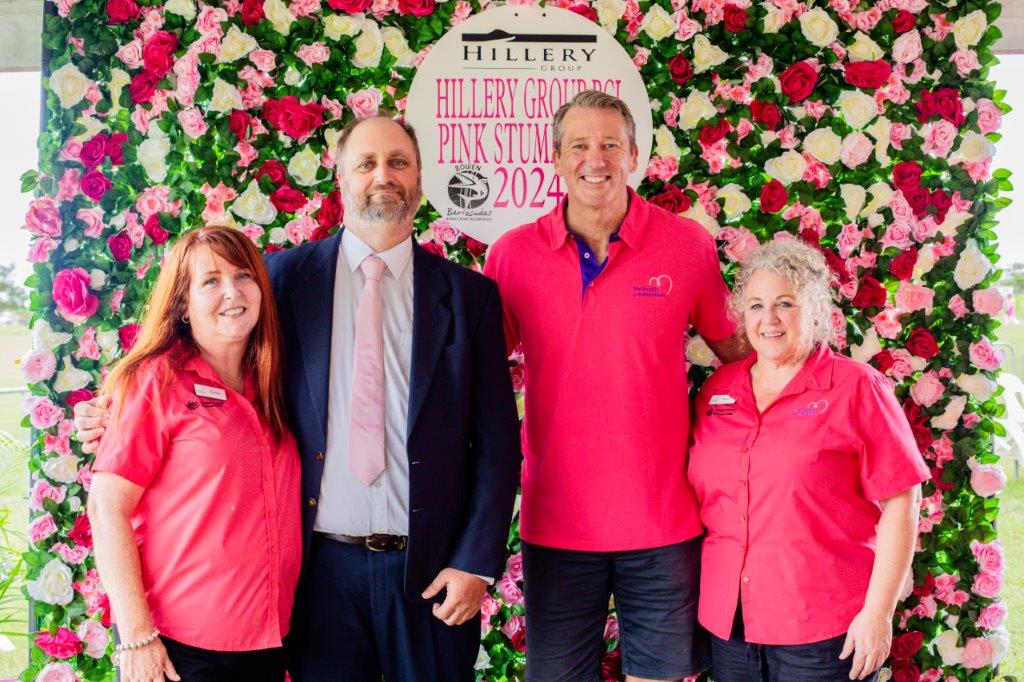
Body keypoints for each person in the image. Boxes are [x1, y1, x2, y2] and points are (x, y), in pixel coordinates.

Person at [77, 116, 521, 682]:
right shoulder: (280, 281)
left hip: (433, 576)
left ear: (419, 175)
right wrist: (113, 406)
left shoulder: (469, 296)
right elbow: (206, 349)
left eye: (398, 162)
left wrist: (475, 562)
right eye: (366, 163)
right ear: (341, 179)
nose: (382, 175)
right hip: (318, 578)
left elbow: (497, 444)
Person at [484, 90, 745, 682]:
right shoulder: (512, 255)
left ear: (633, 155)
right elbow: (476, 374)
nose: (594, 159)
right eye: (579, 145)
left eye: (610, 144)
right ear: (556, 158)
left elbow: (739, 357)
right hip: (557, 521)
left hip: (663, 522)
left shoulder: (687, 245)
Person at [687, 239, 928, 681]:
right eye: (756, 305)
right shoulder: (718, 389)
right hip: (730, 627)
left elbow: (903, 499)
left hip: (822, 629)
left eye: (785, 303)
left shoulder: (856, 387)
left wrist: (878, 614)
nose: (769, 319)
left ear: (815, 310)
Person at [88, 225, 301, 682]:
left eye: (243, 276)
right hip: (181, 650)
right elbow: (106, 509)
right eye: (211, 280)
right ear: (183, 303)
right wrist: (137, 637)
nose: (232, 292)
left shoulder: (276, 381)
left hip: (270, 643)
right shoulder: (157, 380)